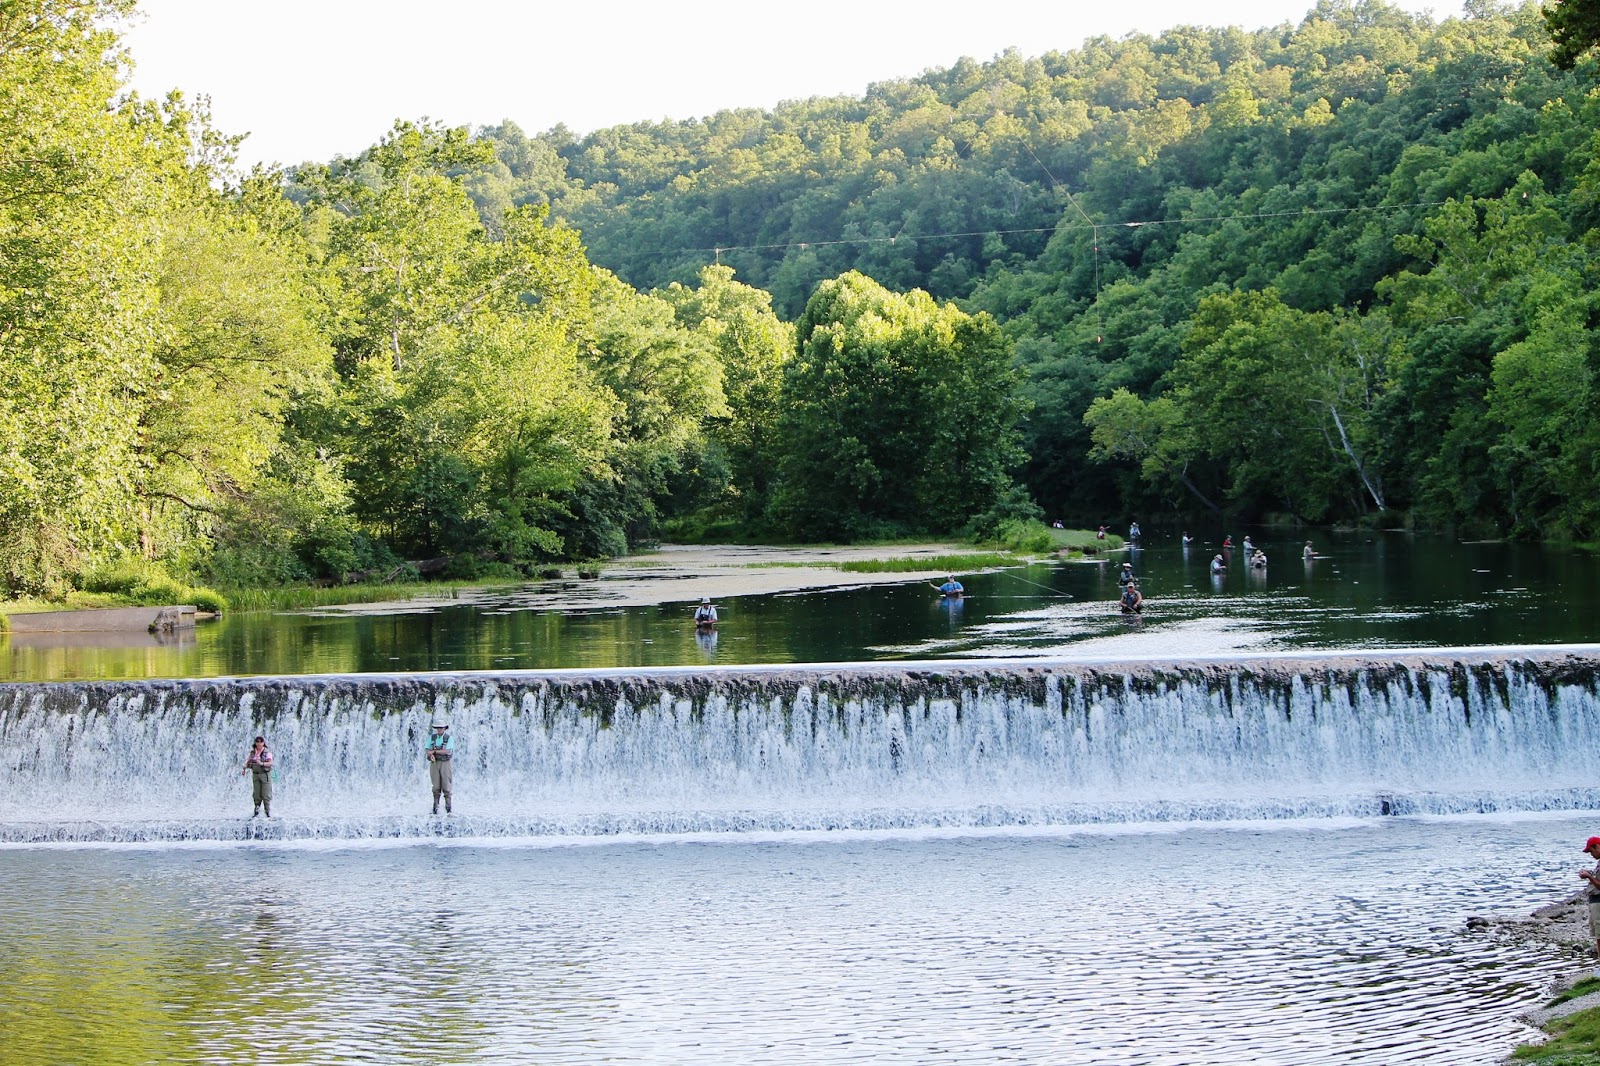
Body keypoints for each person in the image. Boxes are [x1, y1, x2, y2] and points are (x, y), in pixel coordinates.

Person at [426, 721, 454, 815]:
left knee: (446, 786)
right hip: (434, 763)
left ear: (445, 728)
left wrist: (433, 752)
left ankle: (448, 808)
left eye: (441, 728)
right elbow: (427, 749)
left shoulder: (449, 738)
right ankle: (435, 807)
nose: (439, 729)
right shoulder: (432, 737)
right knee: (436, 786)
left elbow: (447, 751)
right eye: (437, 728)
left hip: (445, 763)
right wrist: (430, 754)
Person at [242, 736, 274, 818]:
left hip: (264, 775)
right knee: (256, 794)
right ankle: (256, 811)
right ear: (255, 743)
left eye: (261, 742)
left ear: (263, 743)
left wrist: (261, 763)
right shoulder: (253, 753)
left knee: (266, 794)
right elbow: (248, 762)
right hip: (255, 775)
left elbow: (270, 763)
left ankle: (267, 812)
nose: (259, 743)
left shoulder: (267, 753)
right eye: (257, 741)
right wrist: (245, 767)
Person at [1580, 836, 1600, 957]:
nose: (1591, 855)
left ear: (1597, 847)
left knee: (1599, 935)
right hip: (1595, 902)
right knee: (1597, 935)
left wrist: (1589, 877)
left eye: (1591, 851)